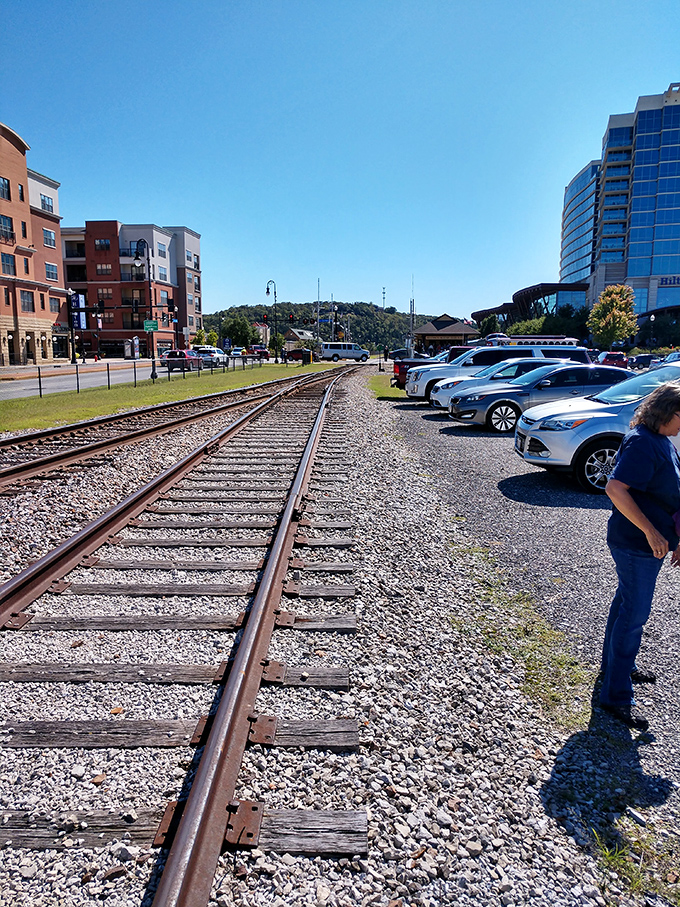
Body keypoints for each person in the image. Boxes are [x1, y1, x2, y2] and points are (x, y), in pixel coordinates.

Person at [600, 382, 680, 730]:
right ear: (669, 412)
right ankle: (616, 696)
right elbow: (615, 489)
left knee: (625, 605)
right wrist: (651, 531)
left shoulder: (660, 441)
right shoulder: (643, 443)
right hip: (636, 544)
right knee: (634, 614)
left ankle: (616, 666)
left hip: (651, 544)